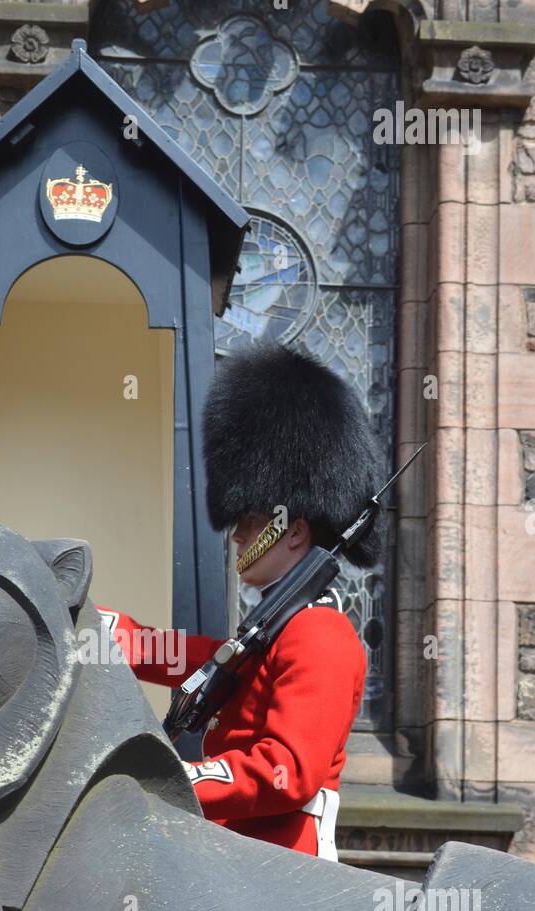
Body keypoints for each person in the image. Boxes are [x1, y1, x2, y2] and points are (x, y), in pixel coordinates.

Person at [96, 342, 385, 859]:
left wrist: (175, 778)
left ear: (292, 529)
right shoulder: (272, 633)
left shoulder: (320, 633)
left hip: (279, 874)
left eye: (250, 520)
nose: (236, 535)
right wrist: (92, 626)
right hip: (237, 860)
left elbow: (288, 772)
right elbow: (183, 655)